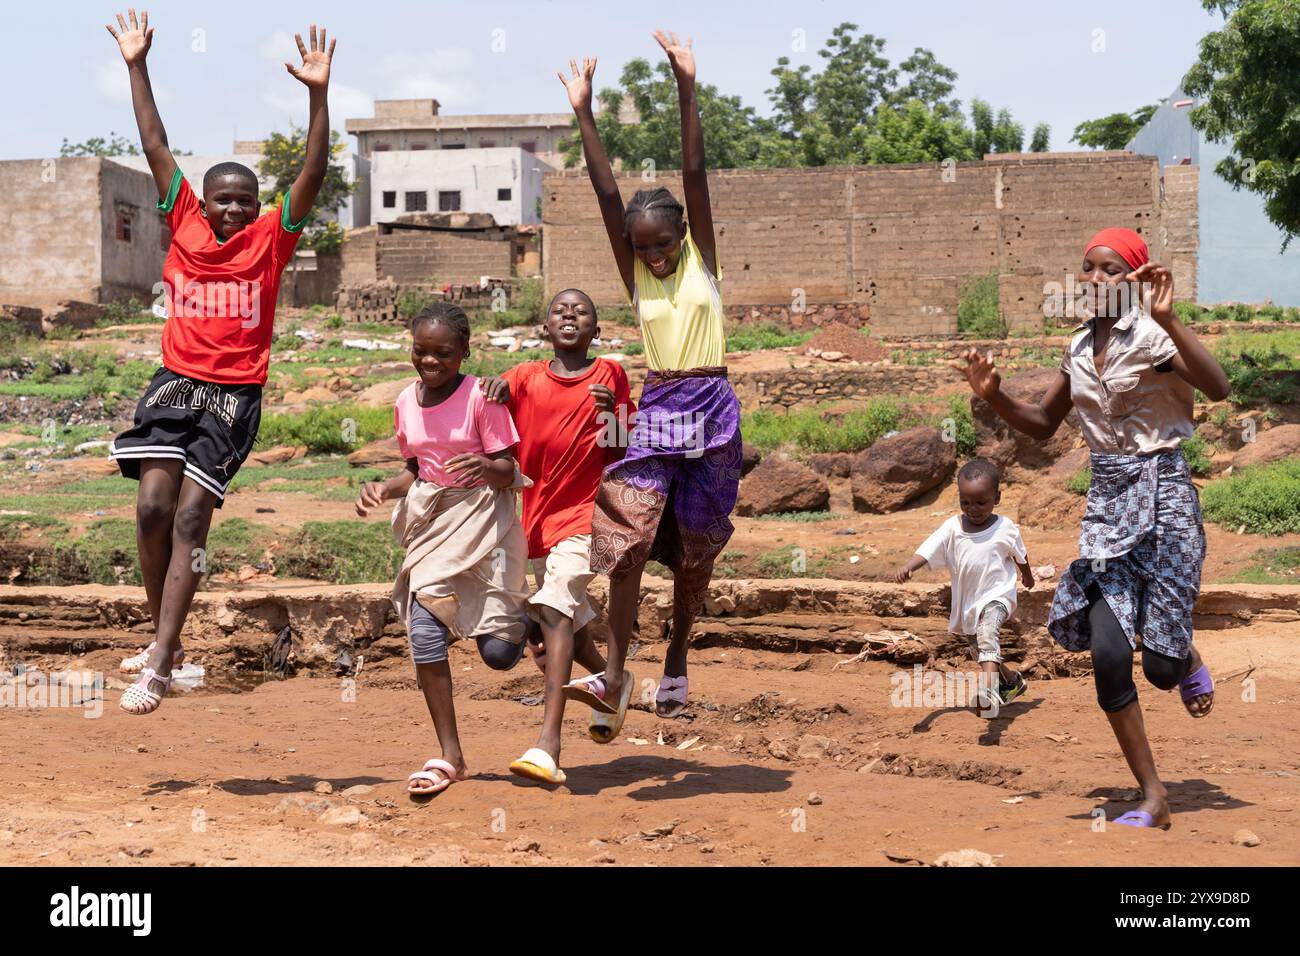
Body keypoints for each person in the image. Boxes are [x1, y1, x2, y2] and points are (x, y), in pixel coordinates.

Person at [956, 227, 1229, 828]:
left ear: (1132, 279)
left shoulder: (1155, 334)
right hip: (1108, 506)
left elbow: (1218, 385)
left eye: (1110, 269)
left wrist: (1174, 318)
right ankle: (1152, 795)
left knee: (1159, 668)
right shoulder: (1077, 348)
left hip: (1166, 501)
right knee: (1108, 656)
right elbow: (1041, 424)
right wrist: (995, 396)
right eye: (1088, 268)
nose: (1096, 279)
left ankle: (1181, 653)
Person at [105, 9, 334, 714]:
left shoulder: (273, 239)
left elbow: (315, 170)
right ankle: (164, 643)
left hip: (232, 395)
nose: (234, 212)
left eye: (246, 201)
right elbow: (154, 142)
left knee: (191, 519)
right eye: (223, 201)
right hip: (175, 385)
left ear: (260, 207)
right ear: (202, 203)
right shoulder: (185, 221)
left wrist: (318, 96)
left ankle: (160, 668)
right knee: (150, 509)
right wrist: (136, 64)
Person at [558, 31, 742, 732]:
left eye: (664, 244)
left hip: (715, 408)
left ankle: (677, 656)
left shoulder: (702, 264)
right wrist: (585, 112)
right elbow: (608, 193)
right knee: (628, 537)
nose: (656, 258)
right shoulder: (636, 270)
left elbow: (694, 172)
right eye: (644, 249)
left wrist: (686, 85)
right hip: (662, 402)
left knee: (694, 550)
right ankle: (611, 677)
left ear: (685, 236)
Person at [356, 303, 532, 797]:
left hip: (485, 520)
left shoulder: (483, 396)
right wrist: (385, 489)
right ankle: (450, 755)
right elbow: (415, 467)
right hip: (433, 523)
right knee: (425, 628)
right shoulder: (405, 401)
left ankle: (530, 622)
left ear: (464, 352)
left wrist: (483, 465)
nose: (430, 361)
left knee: (498, 654)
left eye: (443, 353)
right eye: (421, 351)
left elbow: (507, 468)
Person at [479, 288, 635, 781]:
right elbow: (484, 403)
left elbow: (623, 448)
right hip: (537, 521)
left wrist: (613, 415)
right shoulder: (523, 377)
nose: (569, 316)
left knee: (551, 609)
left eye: (581, 311)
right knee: (569, 622)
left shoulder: (610, 373)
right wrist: (493, 389)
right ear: (545, 327)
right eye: (559, 311)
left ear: (596, 329)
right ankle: (615, 683)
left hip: (589, 515)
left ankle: (548, 744)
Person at [896, 459, 1034, 717]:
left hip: (998, 596)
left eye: (981, 502)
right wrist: (909, 566)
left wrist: (1027, 577)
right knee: (979, 647)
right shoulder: (953, 527)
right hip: (969, 603)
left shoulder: (1005, 527)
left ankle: (989, 690)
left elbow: (1020, 555)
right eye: (965, 502)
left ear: (997, 498)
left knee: (987, 632)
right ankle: (1012, 682)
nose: (973, 509)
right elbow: (929, 547)